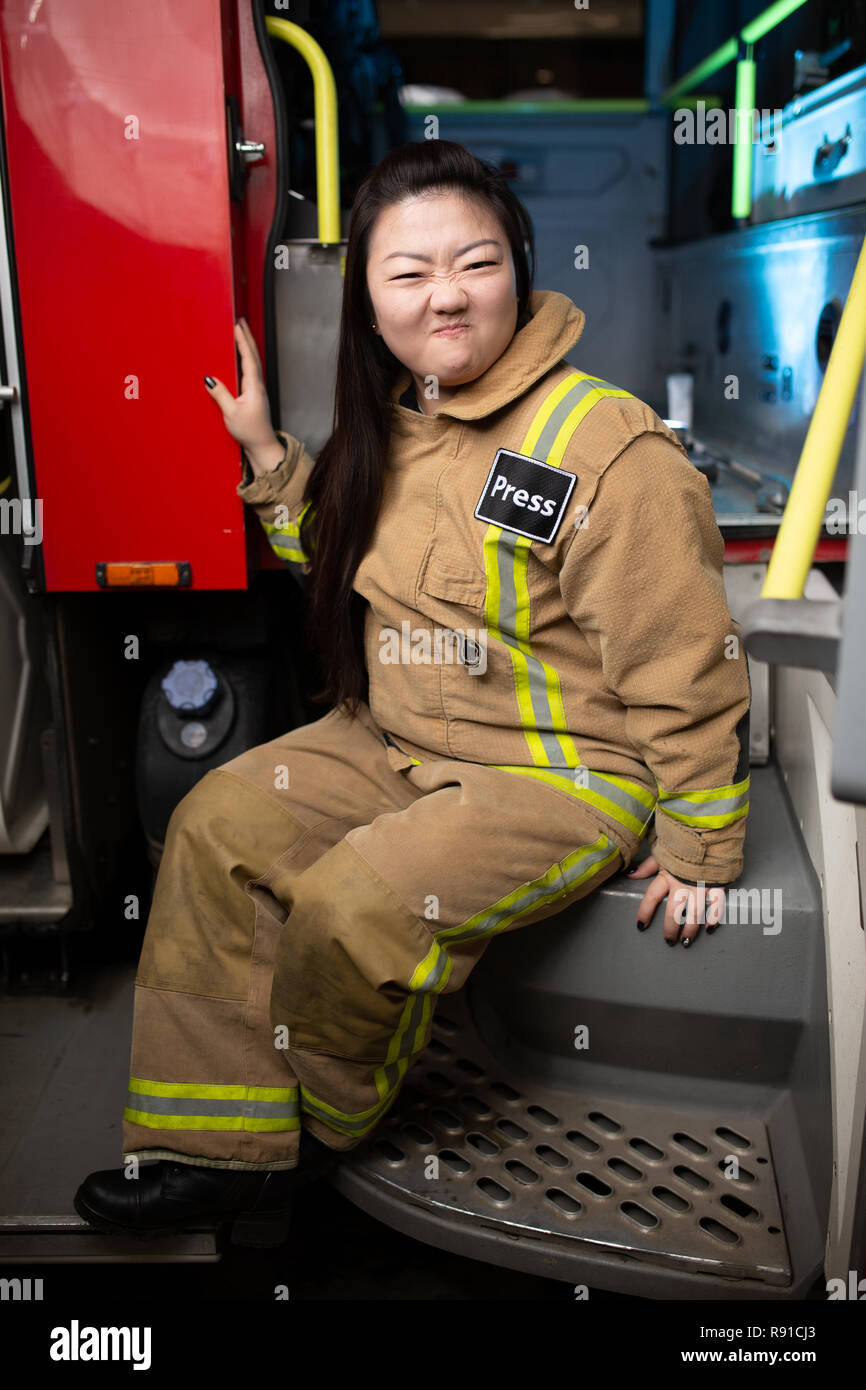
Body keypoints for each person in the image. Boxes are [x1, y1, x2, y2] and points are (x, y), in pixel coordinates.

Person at [74, 140, 751, 1245]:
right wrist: (266, 454)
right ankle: (214, 1149)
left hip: (556, 777)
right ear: (369, 301)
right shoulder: (395, 415)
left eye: (475, 262)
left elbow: (683, 656)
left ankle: (319, 1134)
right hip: (393, 741)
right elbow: (347, 560)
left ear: (518, 269)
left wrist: (703, 842)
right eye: (409, 272)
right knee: (214, 824)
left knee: (356, 906)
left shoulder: (600, 445)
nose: (446, 295)